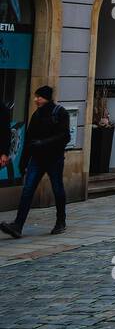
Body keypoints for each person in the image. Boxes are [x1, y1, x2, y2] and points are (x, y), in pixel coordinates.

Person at [1, 86, 70, 238]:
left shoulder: (60, 113)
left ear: (46, 98)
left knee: (57, 189)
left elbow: (65, 136)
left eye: (39, 97)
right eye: (36, 97)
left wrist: (42, 143)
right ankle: (18, 226)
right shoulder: (36, 115)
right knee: (27, 191)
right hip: (37, 159)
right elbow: (29, 140)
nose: (35, 100)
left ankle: (60, 222)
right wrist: (23, 163)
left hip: (54, 159)